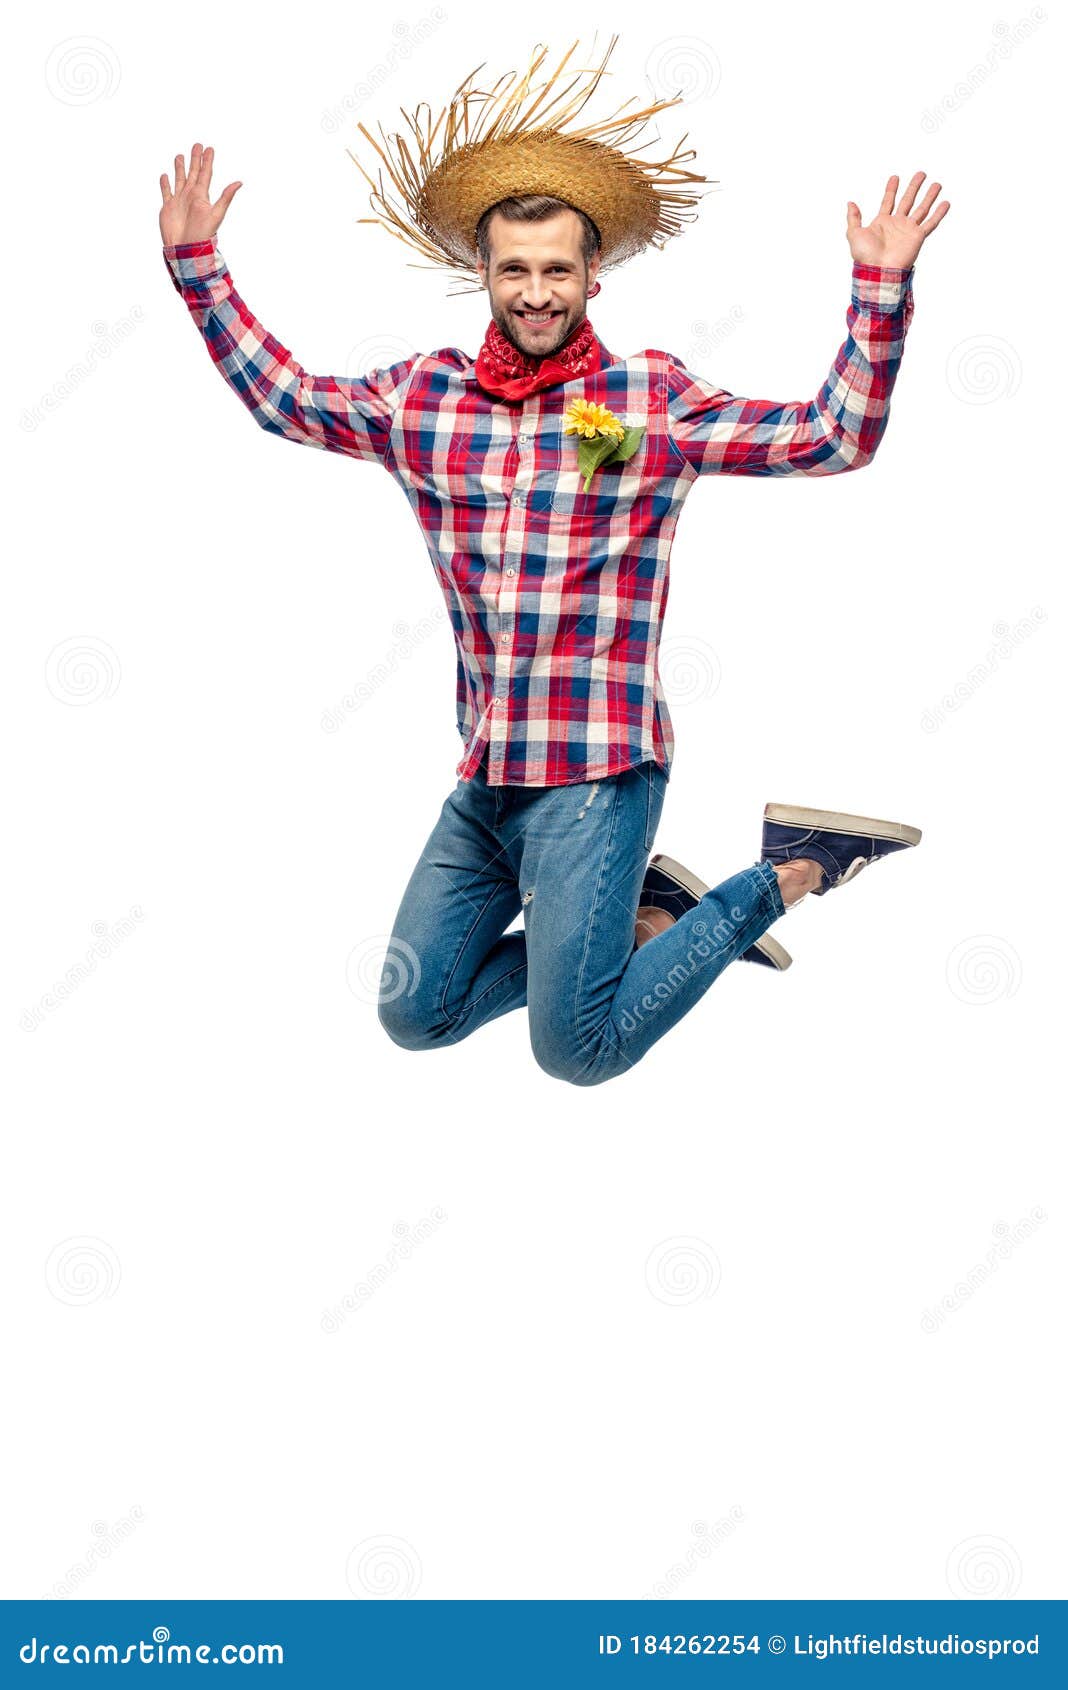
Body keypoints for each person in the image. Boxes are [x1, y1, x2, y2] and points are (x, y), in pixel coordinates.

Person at [158, 39, 949, 1086]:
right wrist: (197, 271)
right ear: (482, 271)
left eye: (558, 270)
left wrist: (879, 289)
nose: (537, 292)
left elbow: (831, 438)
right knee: (415, 1011)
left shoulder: (649, 402)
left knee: (578, 1051)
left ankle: (787, 870)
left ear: (593, 276)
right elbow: (286, 400)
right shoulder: (421, 399)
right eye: (516, 269)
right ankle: (655, 914)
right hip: (489, 773)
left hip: (597, 773)